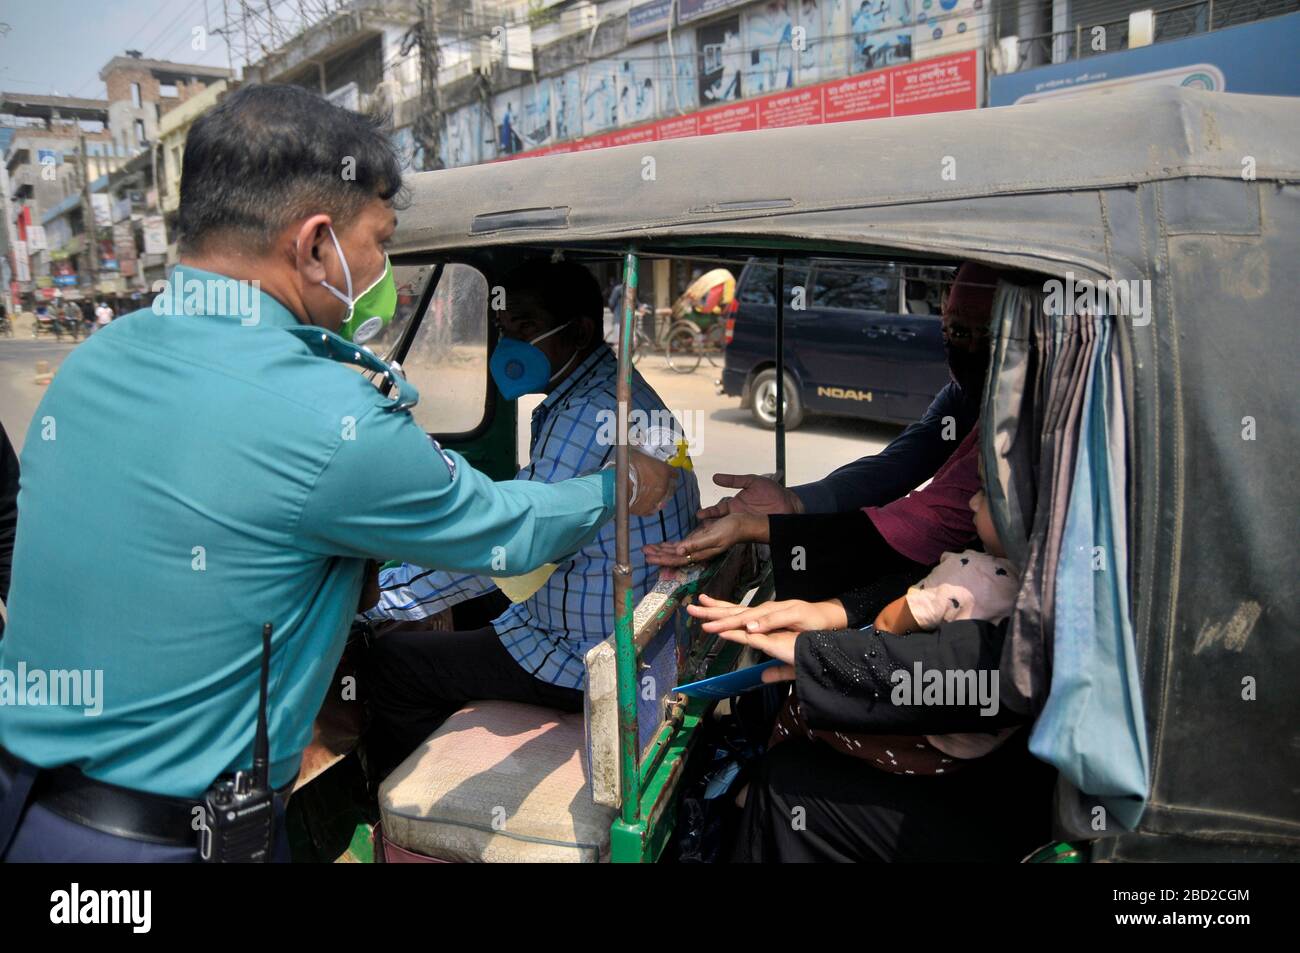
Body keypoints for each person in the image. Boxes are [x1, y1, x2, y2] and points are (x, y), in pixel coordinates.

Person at [0, 83, 676, 863]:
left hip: (30, 813)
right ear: (317, 244)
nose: (382, 268)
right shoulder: (325, 411)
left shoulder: (94, 362)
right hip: (178, 843)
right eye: (381, 242)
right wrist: (618, 485)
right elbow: (509, 532)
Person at [362, 260, 701, 780]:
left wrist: (376, 601)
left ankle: (400, 818)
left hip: (584, 655)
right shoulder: (610, 391)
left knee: (392, 664)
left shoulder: (586, 415)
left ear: (580, 332)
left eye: (526, 327)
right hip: (625, 628)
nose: (508, 345)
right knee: (470, 608)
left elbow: (512, 541)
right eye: (503, 330)